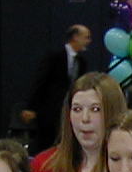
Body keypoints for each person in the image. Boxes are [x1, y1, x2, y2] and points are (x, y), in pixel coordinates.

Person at [20, 25, 92, 154]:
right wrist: (30, 107)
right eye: (86, 37)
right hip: (49, 111)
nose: (88, 41)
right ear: (75, 37)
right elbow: (40, 81)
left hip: (69, 110)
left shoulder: (82, 62)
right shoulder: (54, 56)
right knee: (46, 144)